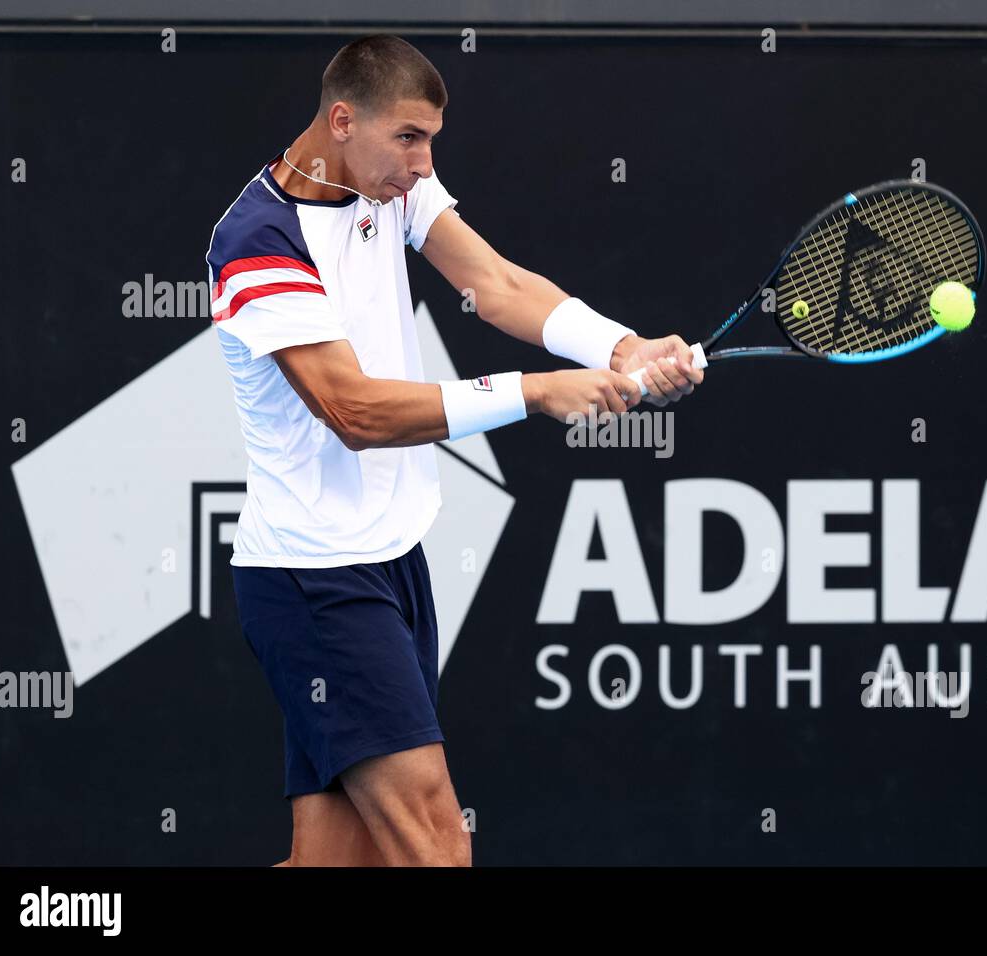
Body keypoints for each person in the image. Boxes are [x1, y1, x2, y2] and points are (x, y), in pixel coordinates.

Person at [205, 34, 703, 866]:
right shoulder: (260, 240)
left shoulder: (392, 183)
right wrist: (535, 391)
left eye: (430, 138)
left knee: (337, 861)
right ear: (340, 121)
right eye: (408, 137)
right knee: (439, 848)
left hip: (391, 561)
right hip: (315, 580)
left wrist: (619, 348)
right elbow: (352, 410)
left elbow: (497, 284)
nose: (423, 161)